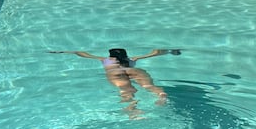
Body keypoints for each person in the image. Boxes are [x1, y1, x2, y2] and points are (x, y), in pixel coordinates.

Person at [49, 46, 180, 111]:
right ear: (126, 55)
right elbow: (154, 53)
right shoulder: (131, 60)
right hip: (133, 70)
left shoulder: (105, 60)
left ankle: (132, 110)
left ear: (110, 55)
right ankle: (161, 95)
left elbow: (83, 54)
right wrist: (170, 51)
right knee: (149, 86)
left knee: (126, 90)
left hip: (115, 73)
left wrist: (63, 52)